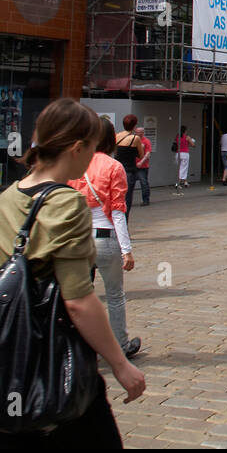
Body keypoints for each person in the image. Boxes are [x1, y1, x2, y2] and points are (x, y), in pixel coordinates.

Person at [0, 98, 145, 447]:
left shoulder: (8, 196)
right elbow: (78, 300)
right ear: (76, 148)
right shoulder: (67, 202)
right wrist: (119, 363)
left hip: (9, 345)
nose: (94, 158)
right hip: (57, 351)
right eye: (90, 148)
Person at [68, 119, 141, 359]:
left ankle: (79, 346)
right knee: (115, 296)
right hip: (105, 237)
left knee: (80, 295)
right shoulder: (114, 166)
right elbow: (118, 212)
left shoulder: (76, 165)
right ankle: (120, 345)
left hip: (79, 238)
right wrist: (126, 250)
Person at [114, 114, 145, 214]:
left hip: (117, 169)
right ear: (134, 125)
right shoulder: (135, 138)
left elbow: (115, 152)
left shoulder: (117, 136)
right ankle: (124, 222)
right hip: (129, 170)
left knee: (117, 195)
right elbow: (141, 155)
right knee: (127, 197)